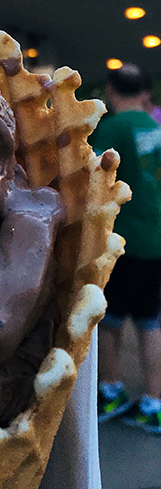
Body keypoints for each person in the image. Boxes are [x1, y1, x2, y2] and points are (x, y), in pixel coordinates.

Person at [92, 64, 161, 434]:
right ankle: (154, 402)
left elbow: (92, 177)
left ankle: (111, 391)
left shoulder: (113, 128)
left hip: (121, 240)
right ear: (144, 92)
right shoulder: (154, 127)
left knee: (108, 321)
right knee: (150, 322)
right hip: (154, 237)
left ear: (111, 90)